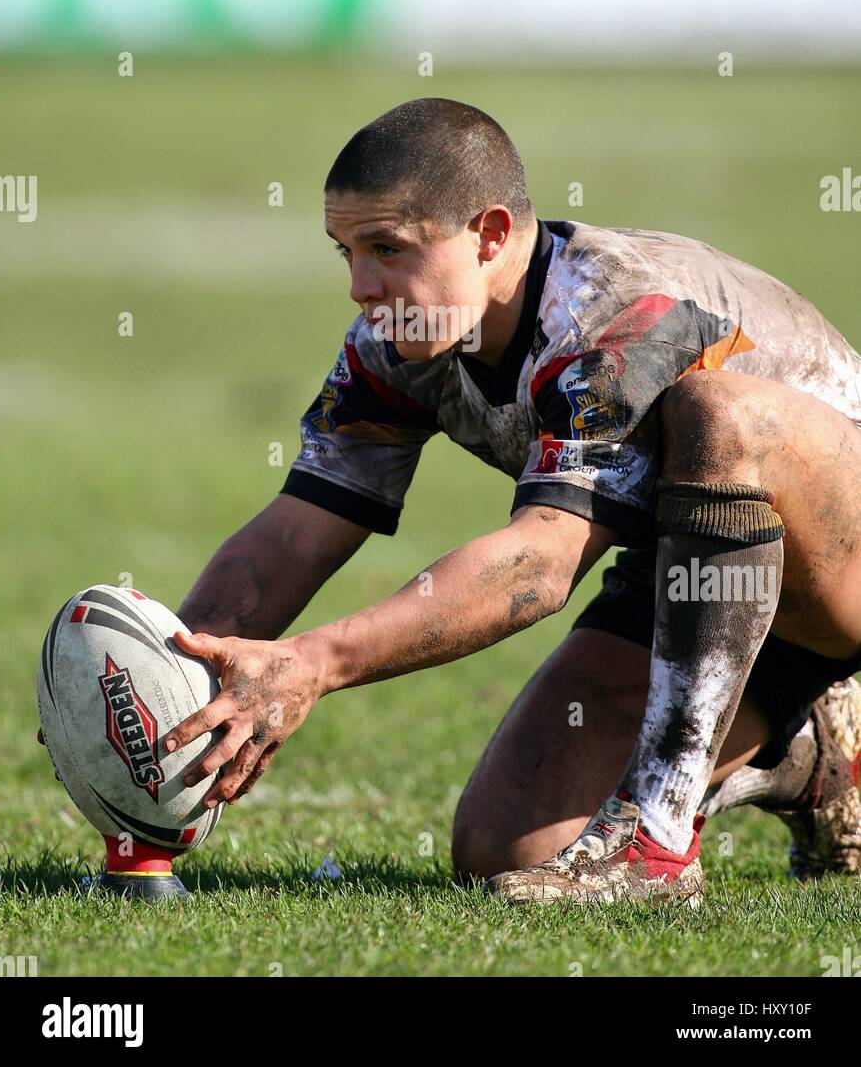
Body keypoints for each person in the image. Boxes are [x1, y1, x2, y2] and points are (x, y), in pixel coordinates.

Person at [165, 97, 861, 905]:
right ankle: (819, 755)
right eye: (345, 252)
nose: (360, 286)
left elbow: (538, 564)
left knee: (721, 414)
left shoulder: (615, 313)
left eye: (387, 248)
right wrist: (176, 669)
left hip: (837, 560)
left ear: (489, 236)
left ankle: (657, 843)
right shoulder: (400, 340)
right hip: (703, 575)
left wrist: (313, 664)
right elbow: (298, 529)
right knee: (508, 843)